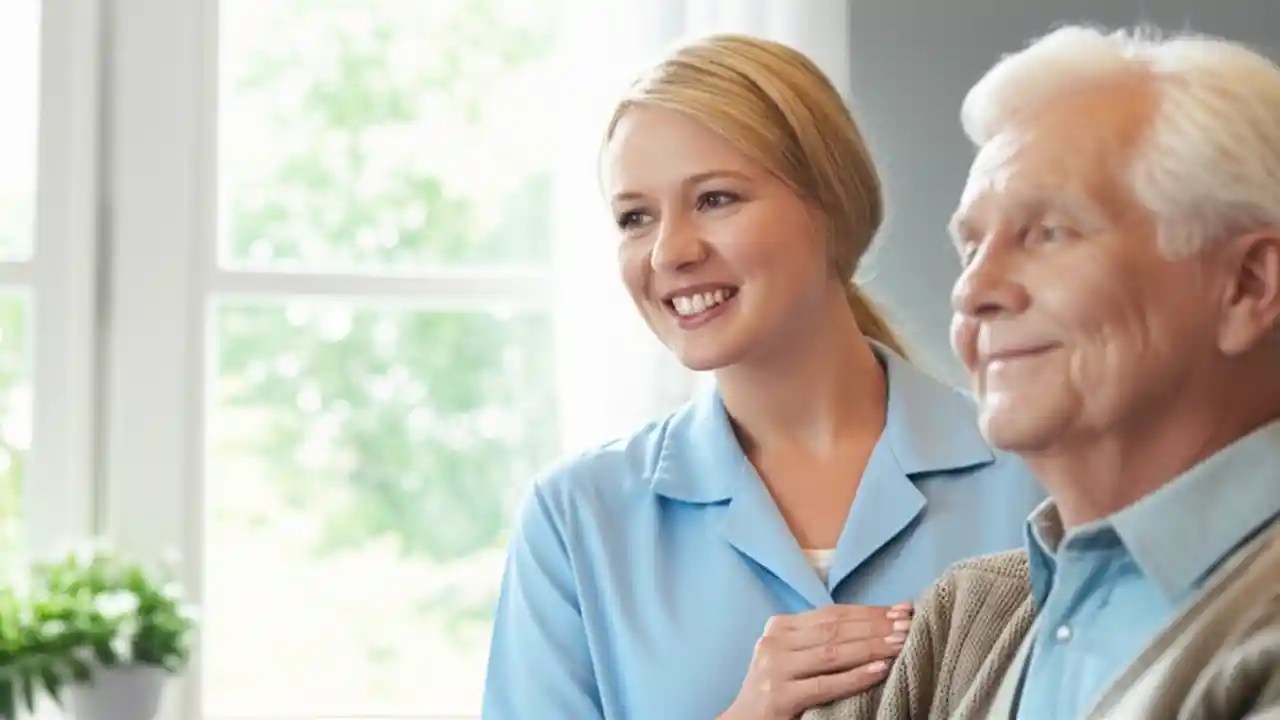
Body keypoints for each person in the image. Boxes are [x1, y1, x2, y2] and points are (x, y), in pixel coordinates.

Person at [481, 34, 1042, 720]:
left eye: (715, 199)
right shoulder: (578, 521)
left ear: (830, 206)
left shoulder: (1043, 479)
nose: (671, 250)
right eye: (635, 217)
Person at [806, 24, 1280, 720]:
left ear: (1247, 284)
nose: (972, 290)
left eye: (1049, 232)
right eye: (971, 247)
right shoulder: (966, 621)